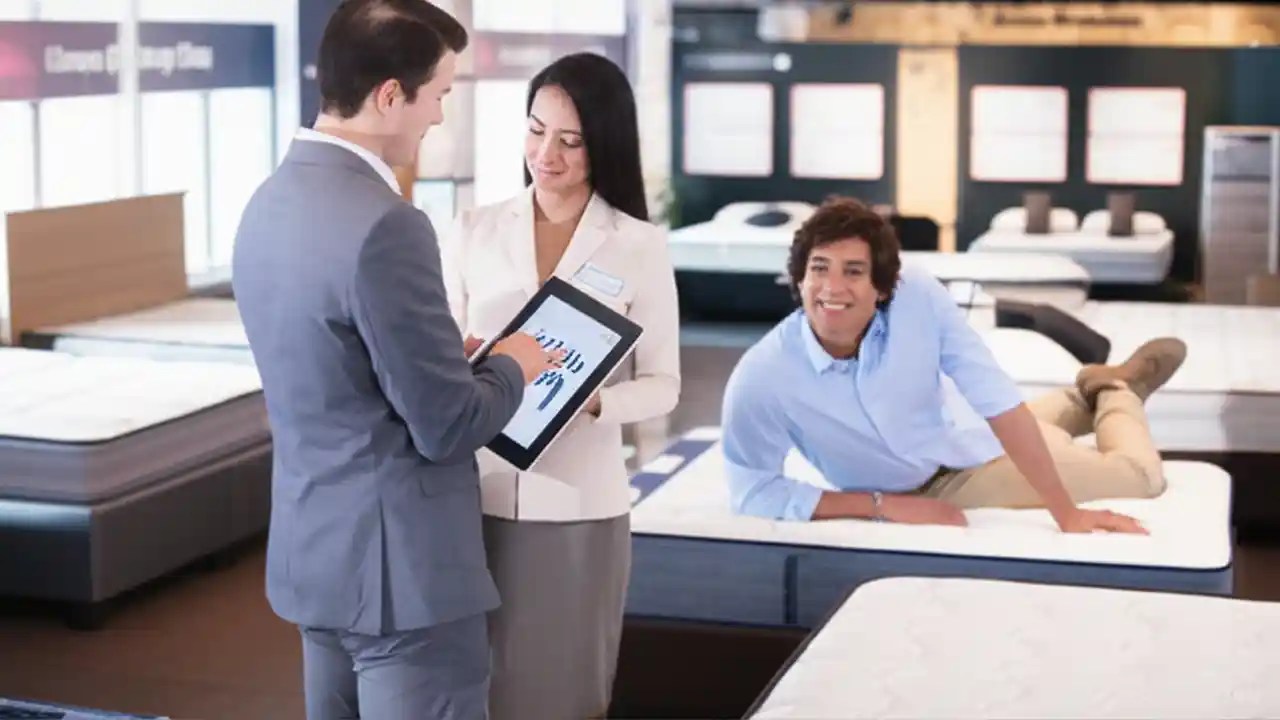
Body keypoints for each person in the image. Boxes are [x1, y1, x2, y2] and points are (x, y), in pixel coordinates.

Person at [231, 2, 559, 718]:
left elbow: (339, 367)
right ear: (389, 95)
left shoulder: (265, 203)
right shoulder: (388, 225)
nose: (438, 116)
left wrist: (449, 359)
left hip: (314, 557)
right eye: (438, 94)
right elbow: (447, 425)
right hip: (401, 577)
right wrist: (513, 363)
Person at [440, 52, 681, 720]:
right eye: (536, 130)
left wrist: (597, 399)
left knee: (564, 687)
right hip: (476, 493)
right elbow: (436, 358)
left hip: (581, 502)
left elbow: (664, 385)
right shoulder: (473, 230)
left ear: (602, 143)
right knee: (478, 682)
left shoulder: (638, 245)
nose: (546, 153)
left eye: (570, 140)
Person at [721, 196, 1186, 532]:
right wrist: (881, 505)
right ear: (799, 279)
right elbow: (752, 487)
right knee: (1038, 437)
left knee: (1139, 480)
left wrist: (1066, 514)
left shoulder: (917, 296)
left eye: (854, 271)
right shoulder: (764, 375)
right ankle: (1092, 390)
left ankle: (1116, 391)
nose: (832, 287)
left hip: (967, 433)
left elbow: (997, 399)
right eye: (819, 268)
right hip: (938, 483)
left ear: (882, 285)